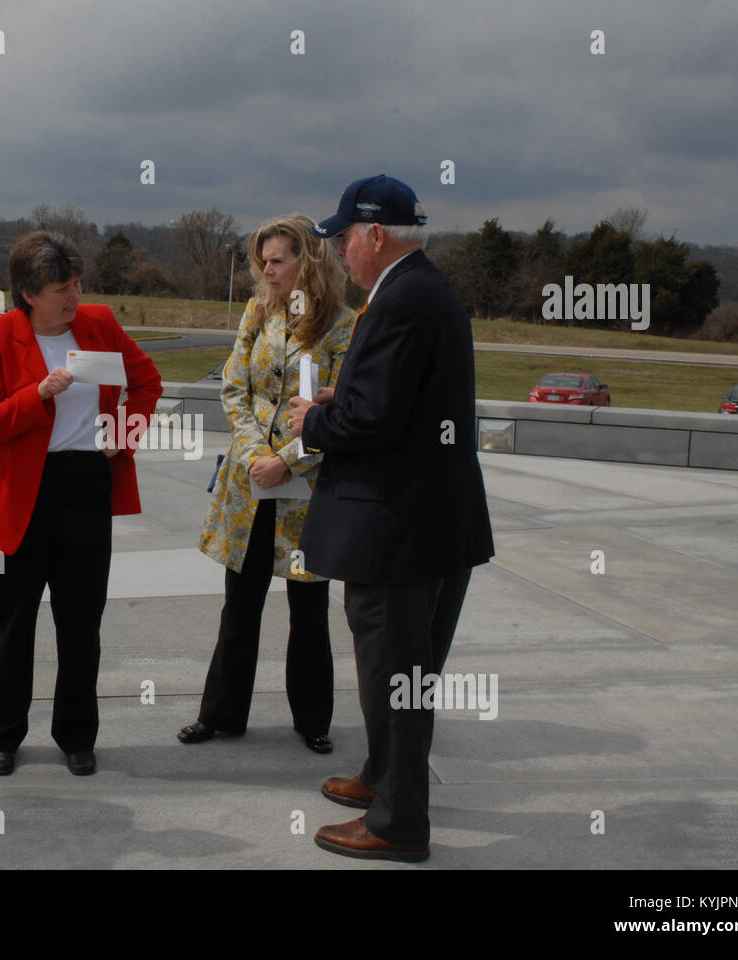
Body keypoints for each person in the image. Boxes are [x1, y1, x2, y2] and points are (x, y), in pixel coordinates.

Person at [288, 175, 495, 861]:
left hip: (400, 532)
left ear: (375, 236)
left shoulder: (401, 302)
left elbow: (371, 419)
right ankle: (382, 778)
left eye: (344, 238)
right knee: (403, 670)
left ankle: (398, 823)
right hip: (426, 524)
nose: (339, 253)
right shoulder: (422, 291)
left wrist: (314, 416)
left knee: (397, 675)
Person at [0, 230, 163, 777]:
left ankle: (77, 735)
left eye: (76, 284)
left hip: (84, 485)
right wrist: (38, 394)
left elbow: (147, 381)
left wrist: (126, 428)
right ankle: (2, 735)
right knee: (9, 622)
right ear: (28, 292)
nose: (73, 297)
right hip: (14, 495)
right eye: (60, 289)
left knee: (80, 622)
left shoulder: (99, 325)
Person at [181, 215, 354, 754]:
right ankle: (221, 714)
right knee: (240, 605)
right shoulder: (258, 312)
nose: (267, 269)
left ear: (309, 261)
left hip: (306, 493)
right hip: (250, 485)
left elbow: (346, 411)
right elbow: (234, 387)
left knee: (308, 611)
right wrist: (259, 455)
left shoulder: (343, 326)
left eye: (278, 259)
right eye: (264, 260)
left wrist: (288, 461)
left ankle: (312, 719)